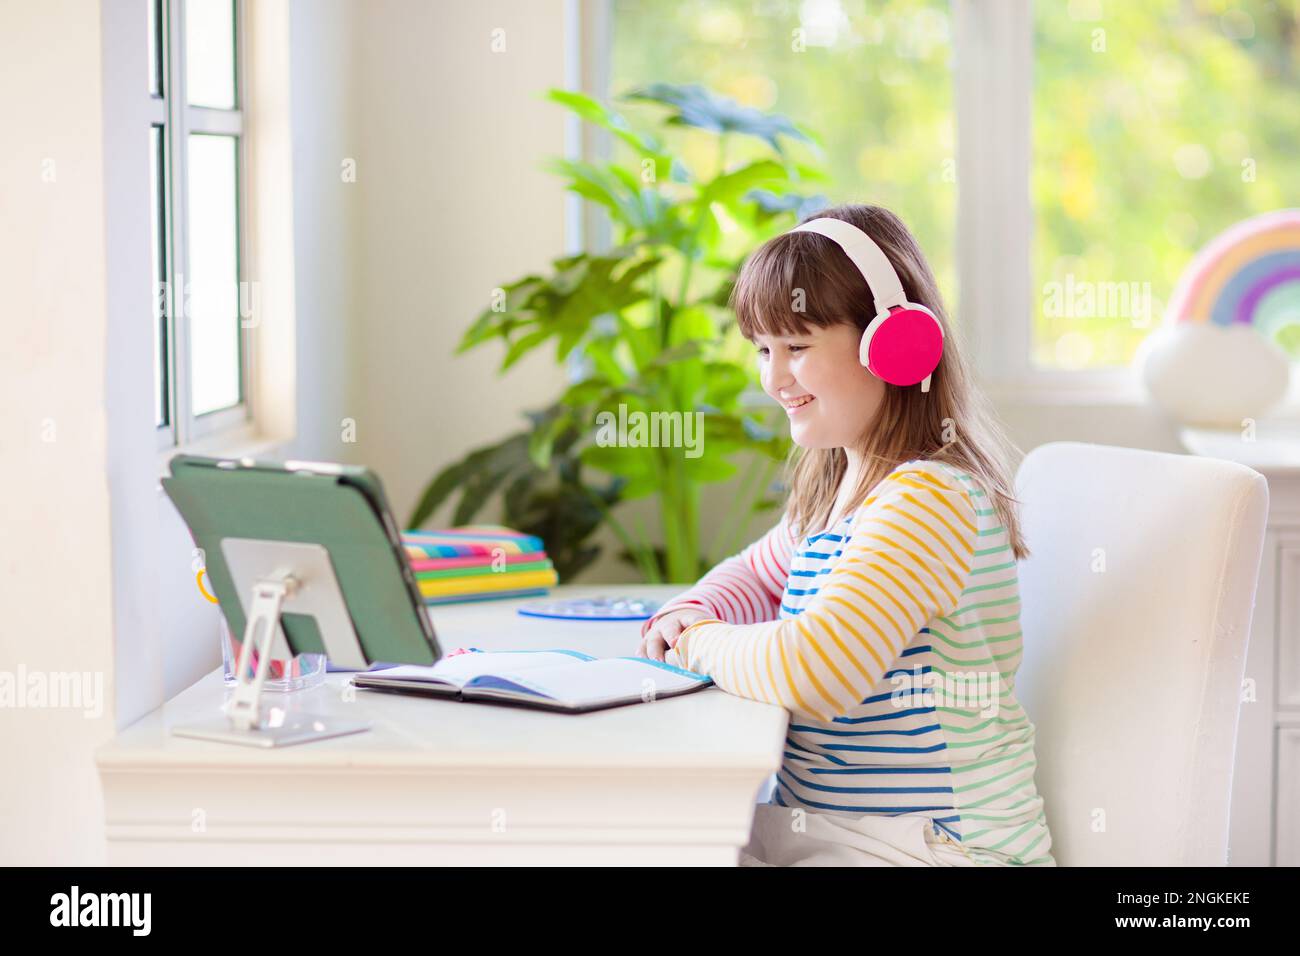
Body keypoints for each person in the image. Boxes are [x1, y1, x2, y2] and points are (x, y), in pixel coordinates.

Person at [636, 203, 1055, 867]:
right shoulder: (838, 489)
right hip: (835, 830)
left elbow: (816, 670)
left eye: (797, 348)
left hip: (938, 849)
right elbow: (757, 574)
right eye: (763, 350)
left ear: (894, 344)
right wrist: (698, 606)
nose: (775, 380)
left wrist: (695, 643)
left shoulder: (927, 501)